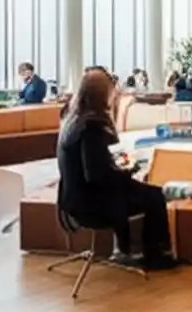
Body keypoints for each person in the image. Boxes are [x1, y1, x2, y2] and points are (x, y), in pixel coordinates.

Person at [57, 69, 177, 270]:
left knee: (144, 191)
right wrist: (128, 170)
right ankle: (153, 255)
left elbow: (110, 156)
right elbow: (96, 175)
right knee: (156, 196)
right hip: (93, 203)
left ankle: (133, 249)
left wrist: (127, 166)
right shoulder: (93, 127)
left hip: (72, 199)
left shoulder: (73, 121)